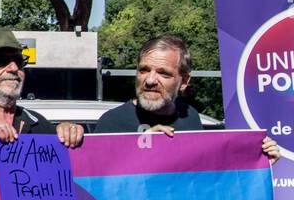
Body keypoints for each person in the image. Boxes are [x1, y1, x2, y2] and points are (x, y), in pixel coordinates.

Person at [96, 34, 280, 161]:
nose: (150, 80)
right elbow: (97, 183)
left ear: (184, 81)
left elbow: (207, 177)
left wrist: (258, 161)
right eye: (144, 70)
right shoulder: (112, 123)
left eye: (164, 74)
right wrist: (140, 149)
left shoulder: (190, 117)